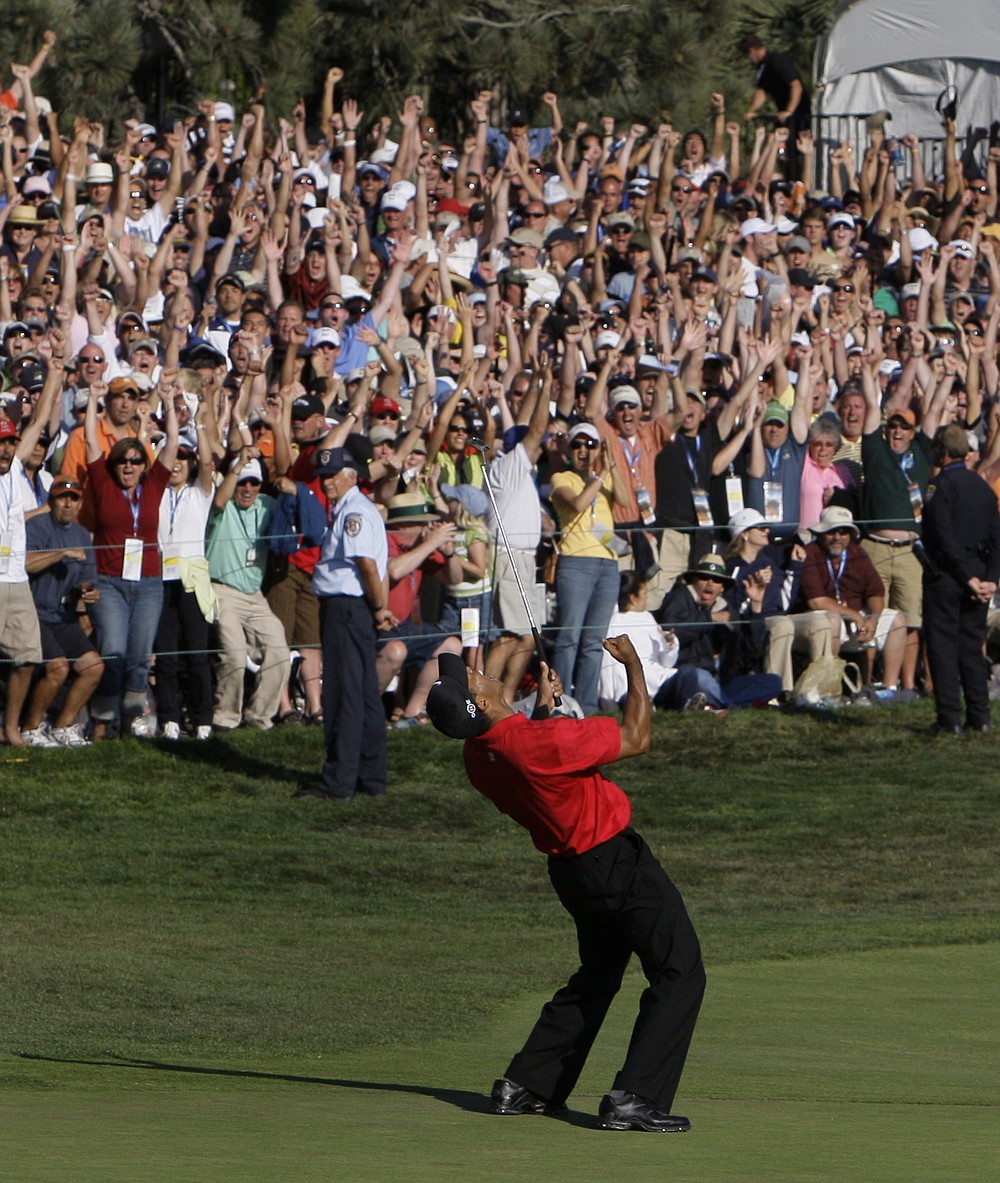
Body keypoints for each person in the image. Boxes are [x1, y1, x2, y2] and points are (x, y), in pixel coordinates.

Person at [425, 641, 704, 1132]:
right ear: (482, 702)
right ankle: (635, 1098)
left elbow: (523, 751)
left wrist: (541, 711)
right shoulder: (543, 742)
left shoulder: (477, 755)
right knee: (680, 970)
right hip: (617, 864)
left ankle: (528, 1084)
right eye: (472, 678)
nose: (479, 670)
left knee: (598, 974)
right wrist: (634, 666)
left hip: (572, 874)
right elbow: (637, 737)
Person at [299, 439, 392, 801]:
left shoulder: (354, 512)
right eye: (323, 476)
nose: (327, 482)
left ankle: (339, 782)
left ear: (351, 476)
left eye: (334, 475)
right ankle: (371, 776)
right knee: (365, 695)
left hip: (346, 608)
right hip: (353, 608)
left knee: (343, 695)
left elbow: (366, 565)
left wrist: (378, 606)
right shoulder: (354, 508)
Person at [84, 387, 178, 739]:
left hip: (149, 583)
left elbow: (171, 444)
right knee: (113, 651)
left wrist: (168, 403)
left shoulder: (153, 486)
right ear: (114, 465)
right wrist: (93, 399)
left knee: (139, 656)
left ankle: (128, 721)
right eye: (123, 460)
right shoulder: (103, 483)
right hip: (109, 582)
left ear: (143, 466)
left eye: (136, 461)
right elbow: (90, 441)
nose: (129, 466)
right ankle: (101, 721)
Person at [921, 425, 1000, 734]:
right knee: (972, 646)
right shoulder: (982, 487)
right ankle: (980, 716)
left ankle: (949, 718)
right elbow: (996, 537)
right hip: (979, 575)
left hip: (949, 577)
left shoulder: (939, 486)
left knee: (942, 646)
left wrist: (967, 577)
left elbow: (943, 538)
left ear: (942, 451)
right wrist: (991, 579)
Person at [206, 449, 291, 731]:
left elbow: (291, 494)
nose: (248, 488)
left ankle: (259, 717)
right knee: (234, 652)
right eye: (242, 482)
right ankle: (225, 717)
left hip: (255, 596)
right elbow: (219, 500)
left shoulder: (267, 504)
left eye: (254, 482)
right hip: (222, 590)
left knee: (279, 650)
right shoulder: (223, 505)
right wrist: (239, 465)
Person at [550, 422, 630, 714]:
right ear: (569, 450)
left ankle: (586, 705)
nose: (584, 450)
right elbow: (580, 503)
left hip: (607, 563)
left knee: (595, 641)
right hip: (576, 562)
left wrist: (612, 467)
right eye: (577, 445)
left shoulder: (603, 480)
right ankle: (560, 702)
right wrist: (602, 474)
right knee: (568, 637)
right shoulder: (562, 478)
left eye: (590, 445)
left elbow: (625, 501)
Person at [22, 477, 105, 747]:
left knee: (94, 666)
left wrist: (89, 591)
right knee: (58, 667)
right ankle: (30, 728)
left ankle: (62, 726)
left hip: (64, 615)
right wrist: (61, 553)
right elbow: (26, 563)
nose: (68, 504)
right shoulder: (36, 527)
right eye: (62, 498)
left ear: (80, 504)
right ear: (51, 502)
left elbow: (88, 576)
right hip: (34, 614)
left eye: (74, 498)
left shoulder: (82, 535)